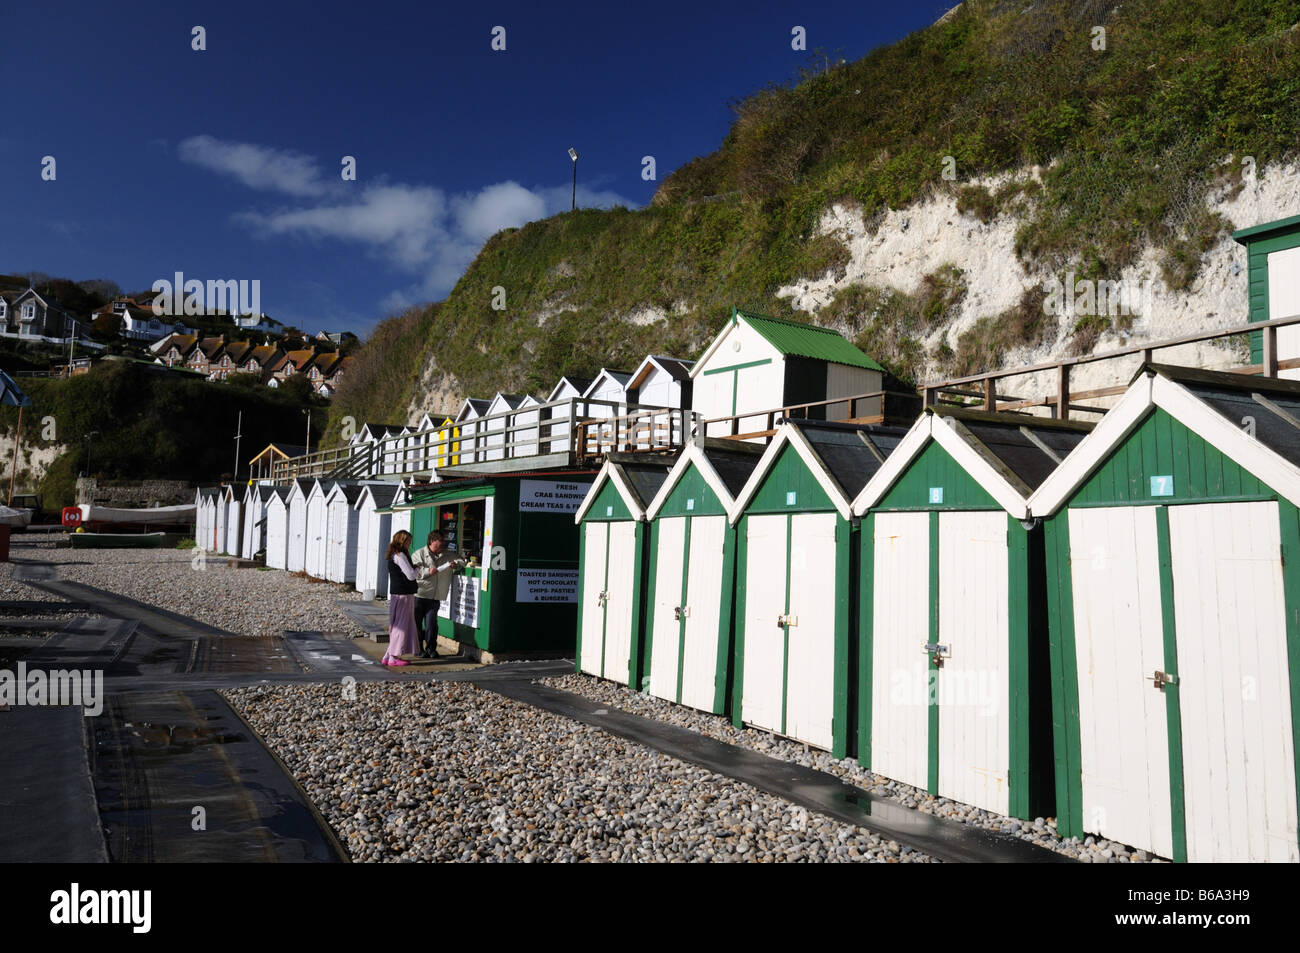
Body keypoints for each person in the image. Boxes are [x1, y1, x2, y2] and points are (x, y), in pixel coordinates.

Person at [411, 530, 468, 658]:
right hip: (419, 595)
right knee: (417, 624)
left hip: (435, 596)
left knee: (432, 624)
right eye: (441, 541)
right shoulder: (419, 554)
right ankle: (418, 649)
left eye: (443, 541)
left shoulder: (448, 554)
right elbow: (413, 570)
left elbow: (462, 560)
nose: (443, 543)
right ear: (432, 541)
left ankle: (431, 649)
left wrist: (456, 565)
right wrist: (428, 571)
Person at [382, 530, 420, 667]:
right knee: (401, 626)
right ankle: (394, 657)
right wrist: (418, 569)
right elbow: (410, 575)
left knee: (396, 624)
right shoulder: (400, 555)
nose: (410, 544)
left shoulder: (393, 555)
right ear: (403, 541)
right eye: (408, 541)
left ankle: (387, 656)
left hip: (396, 594)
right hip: (404, 594)